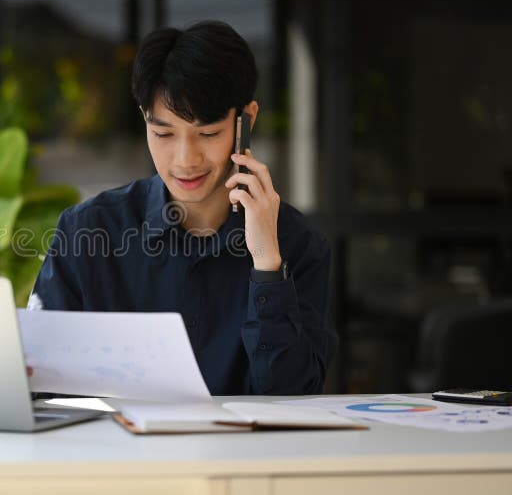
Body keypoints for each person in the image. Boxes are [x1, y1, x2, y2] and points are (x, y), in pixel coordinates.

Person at [27, 20, 337, 395]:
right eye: (163, 134)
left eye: (207, 134)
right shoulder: (88, 232)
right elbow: (42, 388)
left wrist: (267, 265)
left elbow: (293, 400)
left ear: (246, 121)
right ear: (144, 120)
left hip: (243, 454)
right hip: (119, 451)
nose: (185, 160)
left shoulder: (298, 245)